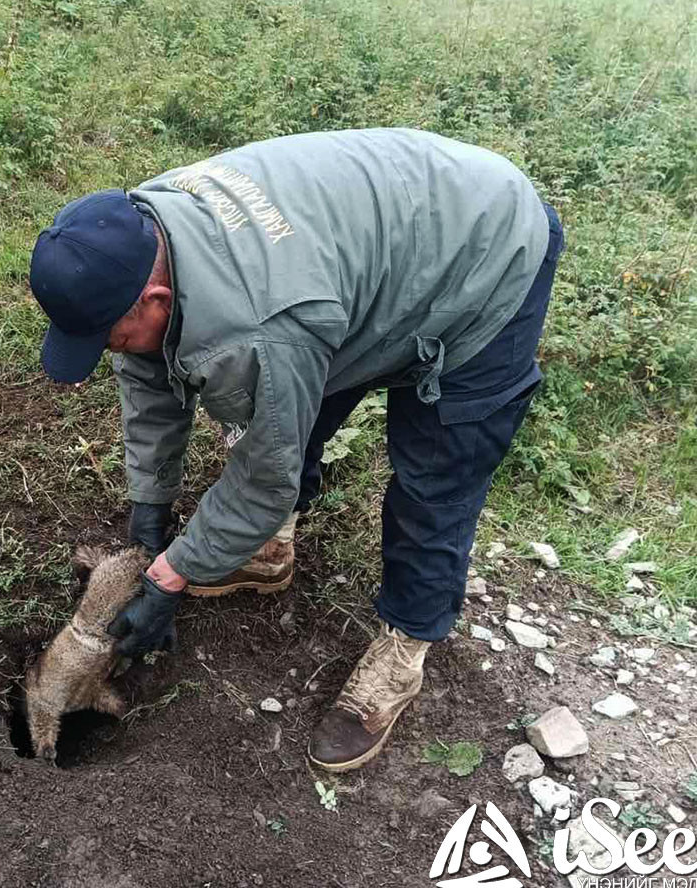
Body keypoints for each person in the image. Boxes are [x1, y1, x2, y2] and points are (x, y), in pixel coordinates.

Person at [28, 128, 564, 772]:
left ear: (156, 298)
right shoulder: (134, 235)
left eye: (106, 336)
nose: (107, 351)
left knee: (436, 481)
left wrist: (169, 577)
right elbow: (151, 378)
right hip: (362, 257)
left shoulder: (260, 330)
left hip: (482, 250)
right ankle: (266, 550)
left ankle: (404, 653)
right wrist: (151, 508)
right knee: (284, 398)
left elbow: (262, 477)